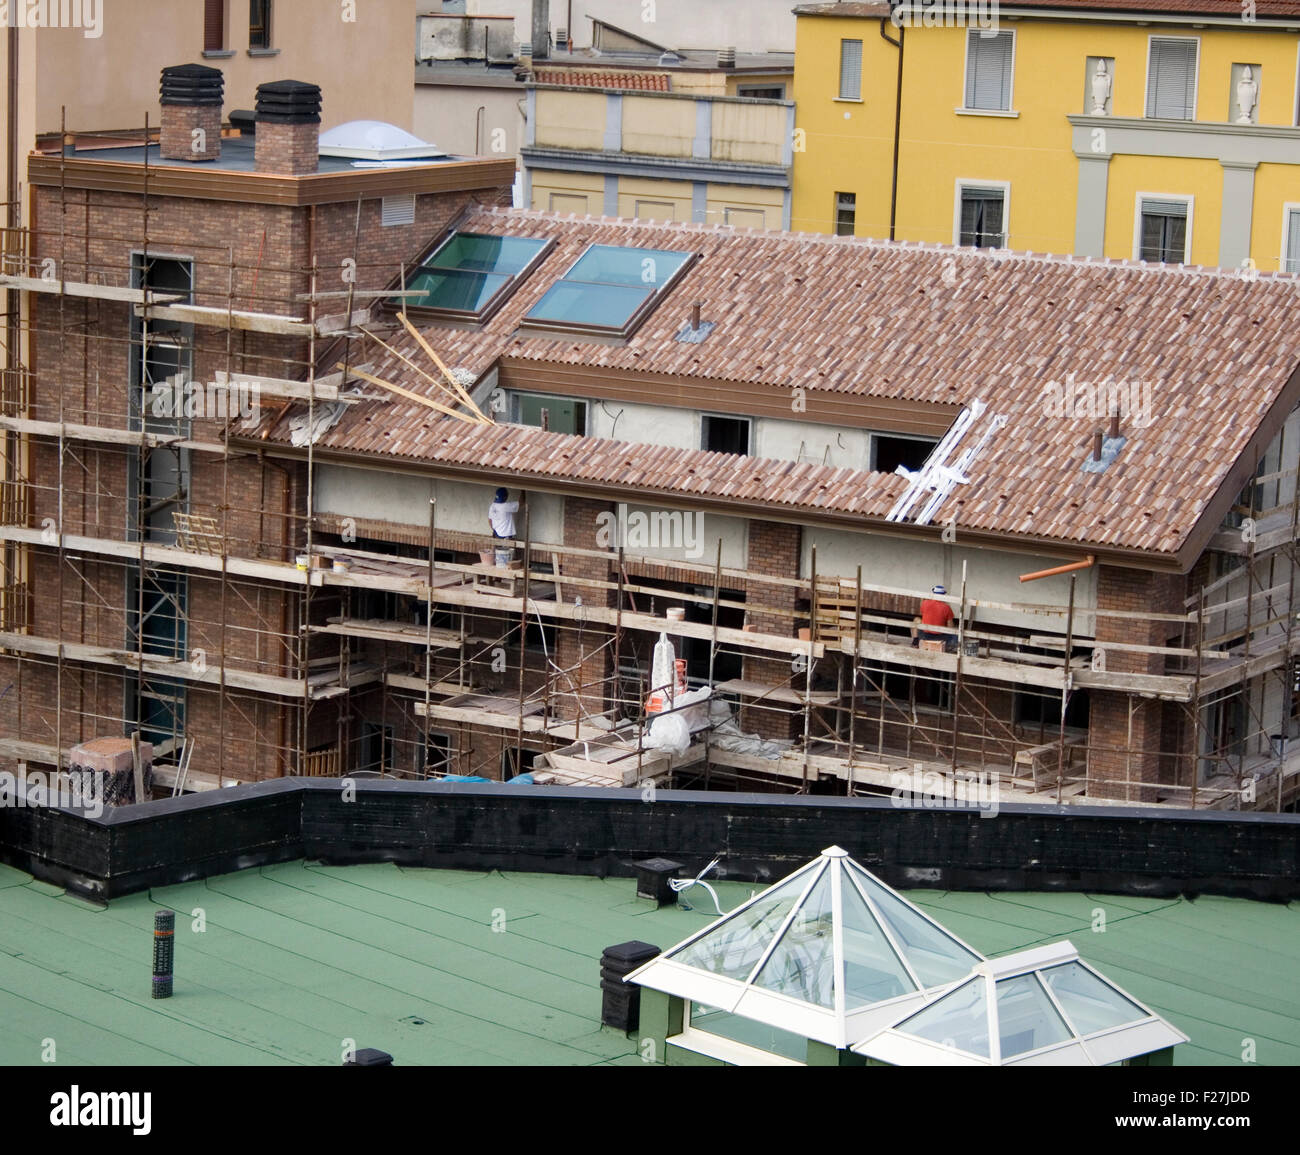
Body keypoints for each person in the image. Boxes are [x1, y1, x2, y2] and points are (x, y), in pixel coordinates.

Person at [918, 584, 956, 652]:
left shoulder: (924, 603)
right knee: (955, 634)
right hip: (939, 637)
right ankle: (949, 648)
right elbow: (951, 627)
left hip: (924, 635)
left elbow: (923, 614)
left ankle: (915, 642)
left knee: (917, 620)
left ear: (933, 593)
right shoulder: (946, 607)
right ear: (943, 595)